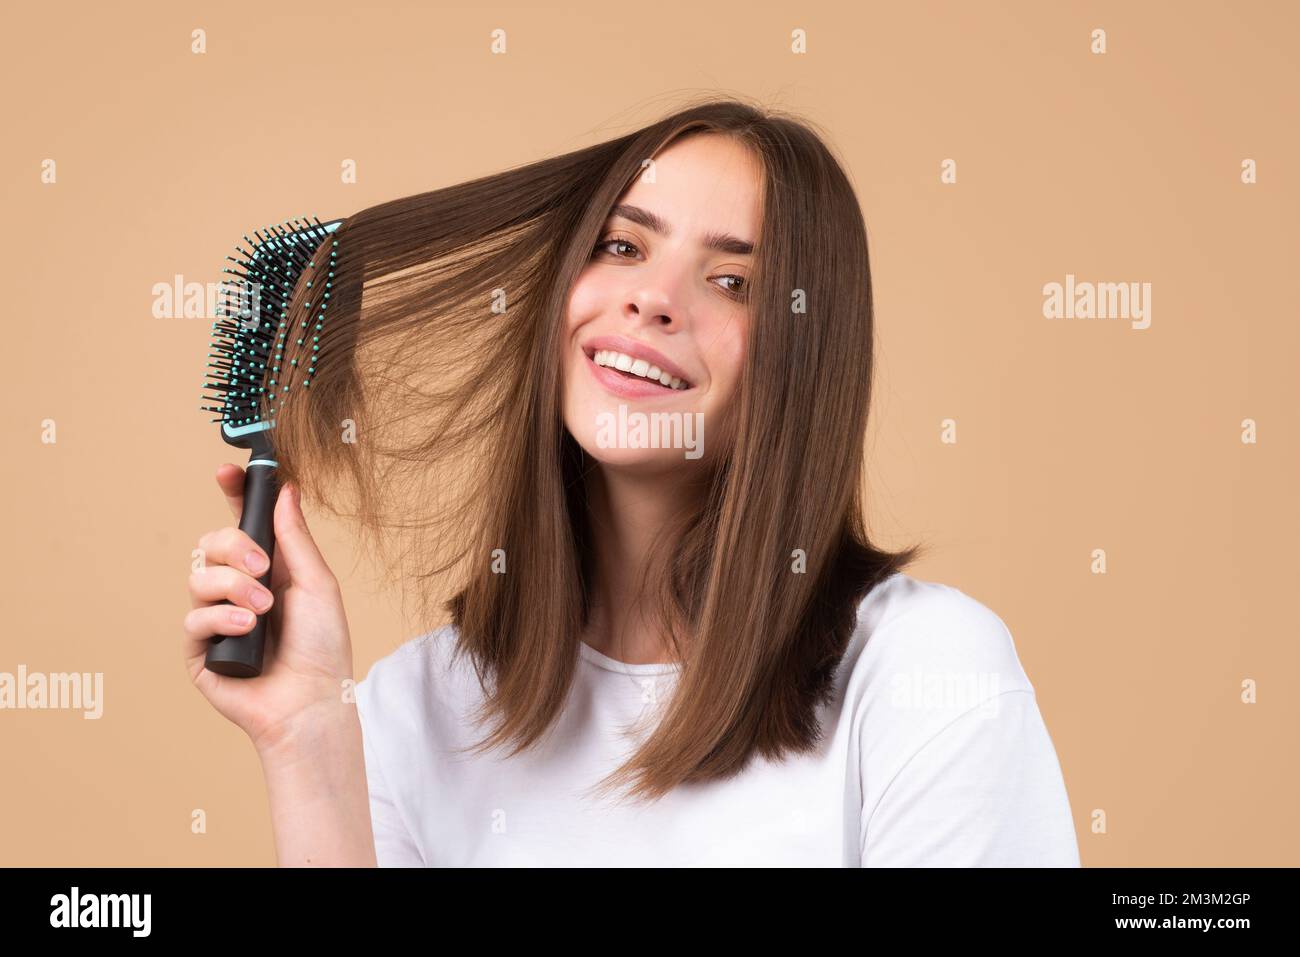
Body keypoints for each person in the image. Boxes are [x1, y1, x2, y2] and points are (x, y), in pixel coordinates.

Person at [182, 98, 1080, 866]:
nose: (654, 297)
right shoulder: (410, 709)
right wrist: (306, 740)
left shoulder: (925, 673)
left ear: (803, 360)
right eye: (620, 246)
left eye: (732, 280)